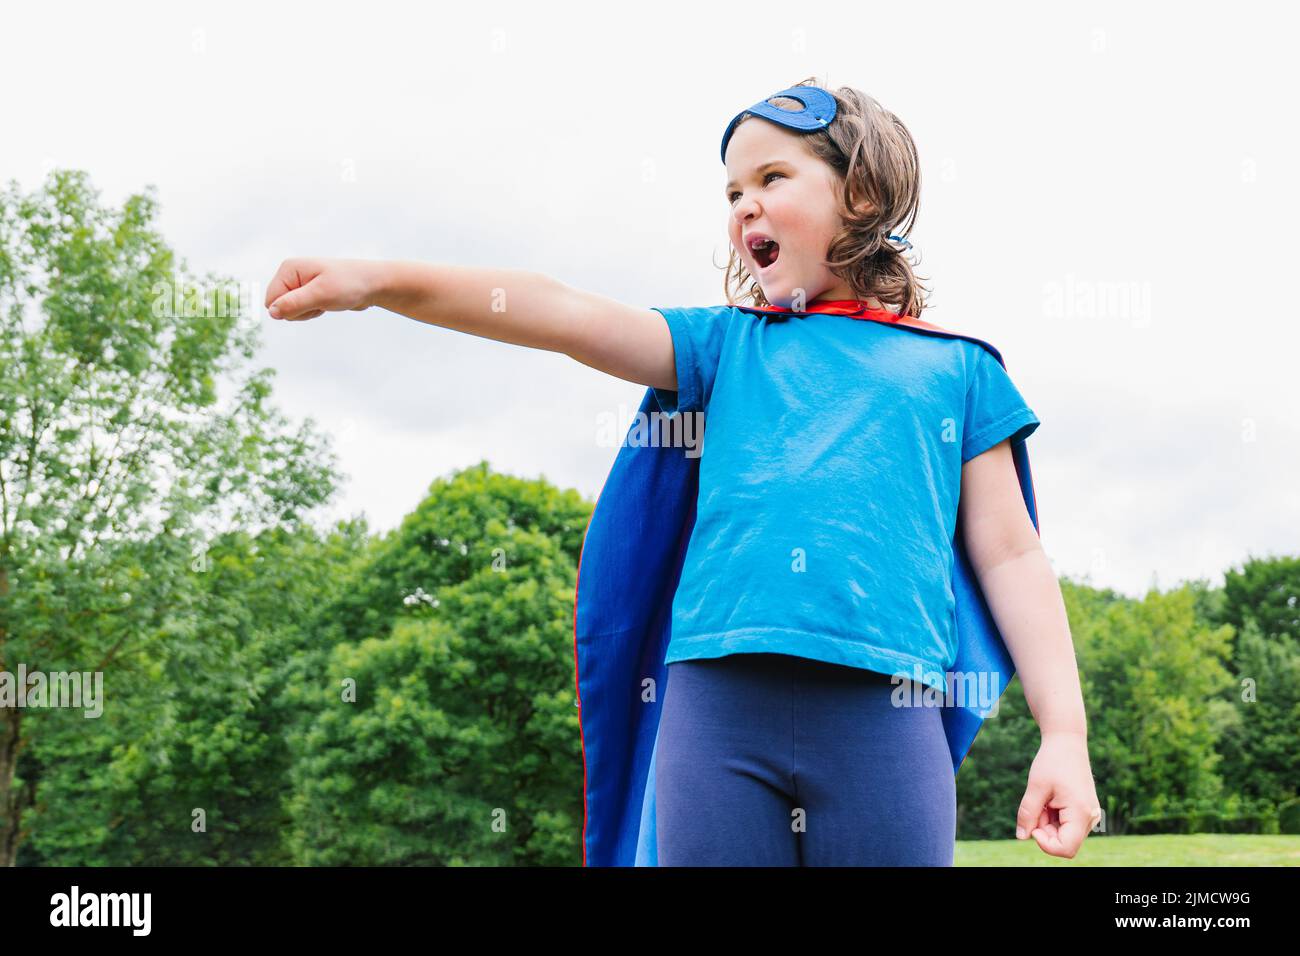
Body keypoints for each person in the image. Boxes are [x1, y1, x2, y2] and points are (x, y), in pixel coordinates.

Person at [264, 77, 1102, 867]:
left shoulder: (958, 369)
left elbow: (1012, 556)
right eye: (733, 193)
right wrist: (377, 281)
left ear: (864, 195)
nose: (746, 207)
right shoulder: (720, 346)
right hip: (716, 706)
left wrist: (1062, 733)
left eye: (772, 176)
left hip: (888, 709)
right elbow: (563, 313)